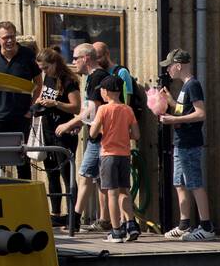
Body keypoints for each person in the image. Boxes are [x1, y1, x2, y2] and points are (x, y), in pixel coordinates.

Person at [158, 48, 214, 241]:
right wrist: (172, 103)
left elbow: (200, 113)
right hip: (181, 142)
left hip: (189, 143)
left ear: (178, 65)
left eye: (169, 67)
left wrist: (172, 120)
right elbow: (185, 111)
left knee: (194, 184)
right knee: (179, 183)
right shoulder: (184, 87)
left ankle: (206, 226)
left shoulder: (193, 85)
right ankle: (184, 225)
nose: (168, 71)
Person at [0, 21, 41, 180]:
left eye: (12, 37)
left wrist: (31, 109)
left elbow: (38, 84)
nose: (9, 41)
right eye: (5, 38)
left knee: (22, 162)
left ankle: (24, 198)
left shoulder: (27, 55)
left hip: (21, 117)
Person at [57, 46, 104, 233]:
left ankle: (75, 220)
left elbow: (93, 108)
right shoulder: (91, 78)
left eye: (75, 58)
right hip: (95, 135)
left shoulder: (96, 77)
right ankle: (77, 220)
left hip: (101, 137)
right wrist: (81, 123)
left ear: (86, 58)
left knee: (95, 178)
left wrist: (69, 124)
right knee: (93, 178)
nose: (73, 62)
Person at [33, 47, 81, 228]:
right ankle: (55, 213)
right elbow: (45, 96)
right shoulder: (48, 78)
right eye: (41, 68)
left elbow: (76, 107)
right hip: (48, 130)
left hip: (64, 133)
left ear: (54, 64)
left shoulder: (68, 80)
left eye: (46, 68)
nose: (43, 71)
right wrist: (40, 102)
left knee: (66, 174)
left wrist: (56, 103)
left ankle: (72, 216)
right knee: (51, 173)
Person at [90, 75, 141, 242]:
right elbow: (136, 134)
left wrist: (104, 131)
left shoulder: (103, 109)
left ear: (106, 92)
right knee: (124, 191)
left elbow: (92, 132)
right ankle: (131, 224)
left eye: (102, 91)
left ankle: (116, 231)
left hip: (108, 154)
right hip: (124, 155)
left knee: (111, 193)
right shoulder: (128, 109)